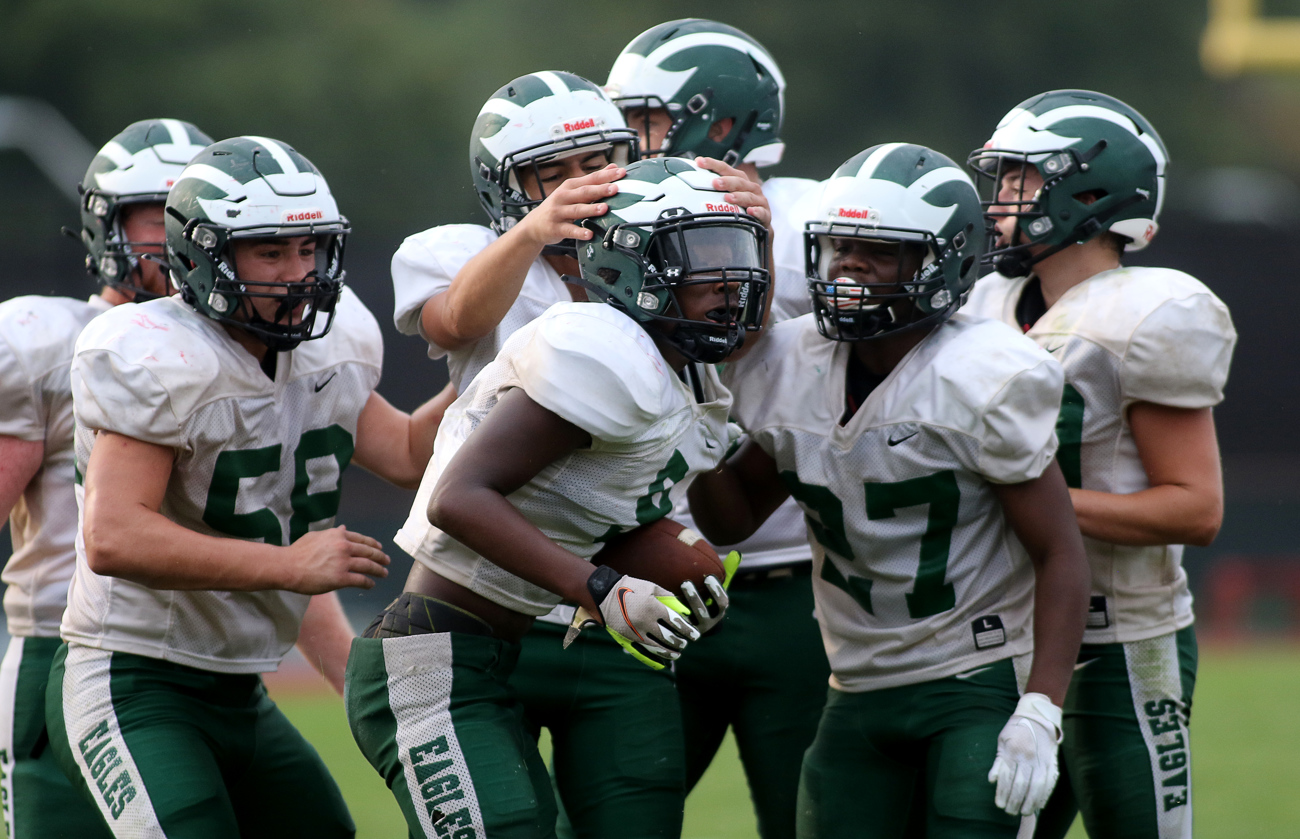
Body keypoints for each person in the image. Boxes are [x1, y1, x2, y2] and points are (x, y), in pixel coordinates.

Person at [390, 70, 768, 839]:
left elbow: (732, 333)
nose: (580, 186)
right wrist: (533, 233)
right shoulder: (478, 257)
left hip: (606, 606)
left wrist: (743, 223)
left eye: (598, 163)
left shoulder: (665, 258)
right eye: (550, 174)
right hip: (503, 580)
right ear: (505, 188)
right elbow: (455, 321)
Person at [44, 135, 448, 838]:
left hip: (239, 685)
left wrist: (500, 363)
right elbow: (113, 534)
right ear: (204, 257)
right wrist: (290, 565)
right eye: (270, 252)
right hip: (133, 678)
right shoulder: (158, 353)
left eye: (308, 250)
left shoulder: (330, 342)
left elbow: (413, 452)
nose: (298, 274)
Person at [687, 143, 1092, 838]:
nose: (848, 263)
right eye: (838, 244)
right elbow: (732, 519)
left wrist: (1040, 706)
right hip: (856, 688)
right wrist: (696, 432)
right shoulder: (788, 361)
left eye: (877, 250)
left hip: (974, 676)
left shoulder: (982, 373)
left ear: (941, 263)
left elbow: (1061, 553)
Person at [965, 89, 1236, 839]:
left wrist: (1021, 502)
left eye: (1019, 180)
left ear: (1086, 192)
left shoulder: (1150, 313)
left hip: (1123, 640)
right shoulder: (986, 303)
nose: (999, 202)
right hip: (1005, 640)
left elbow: (1195, 508)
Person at [605, 20, 830, 837]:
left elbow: (754, 332)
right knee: (616, 812)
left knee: (806, 819)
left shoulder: (813, 218)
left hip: (797, 580)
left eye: (645, 118)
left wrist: (752, 238)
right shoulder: (629, 210)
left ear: (721, 123)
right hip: (658, 568)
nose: (625, 139)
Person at [0, 118, 210, 839]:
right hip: (67, 646)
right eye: (159, 214)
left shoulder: (239, 360)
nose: (179, 236)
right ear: (107, 228)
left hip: (196, 654)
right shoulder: (53, 343)